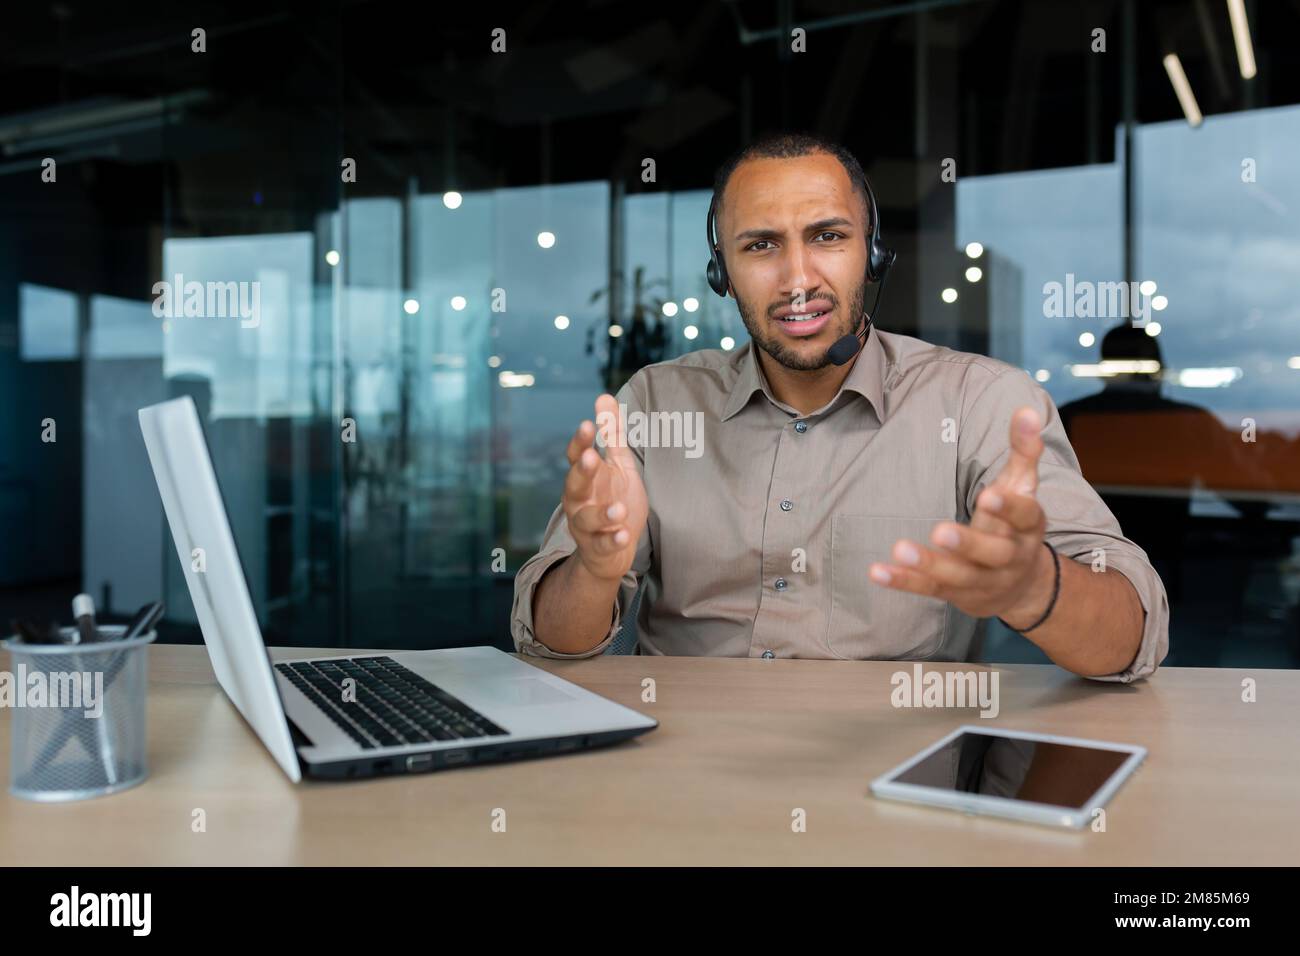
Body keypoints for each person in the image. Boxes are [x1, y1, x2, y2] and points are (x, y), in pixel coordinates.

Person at [511, 131, 1168, 681]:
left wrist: (1036, 587)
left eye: (827, 236)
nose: (798, 280)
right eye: (760, 245)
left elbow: (1131, 643)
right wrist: (596, 570)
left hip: (893, 796)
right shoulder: (655, 404)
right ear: (721, 272)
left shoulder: (981, 405)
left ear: (872, 253)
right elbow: (550, 644)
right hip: (679, 787)